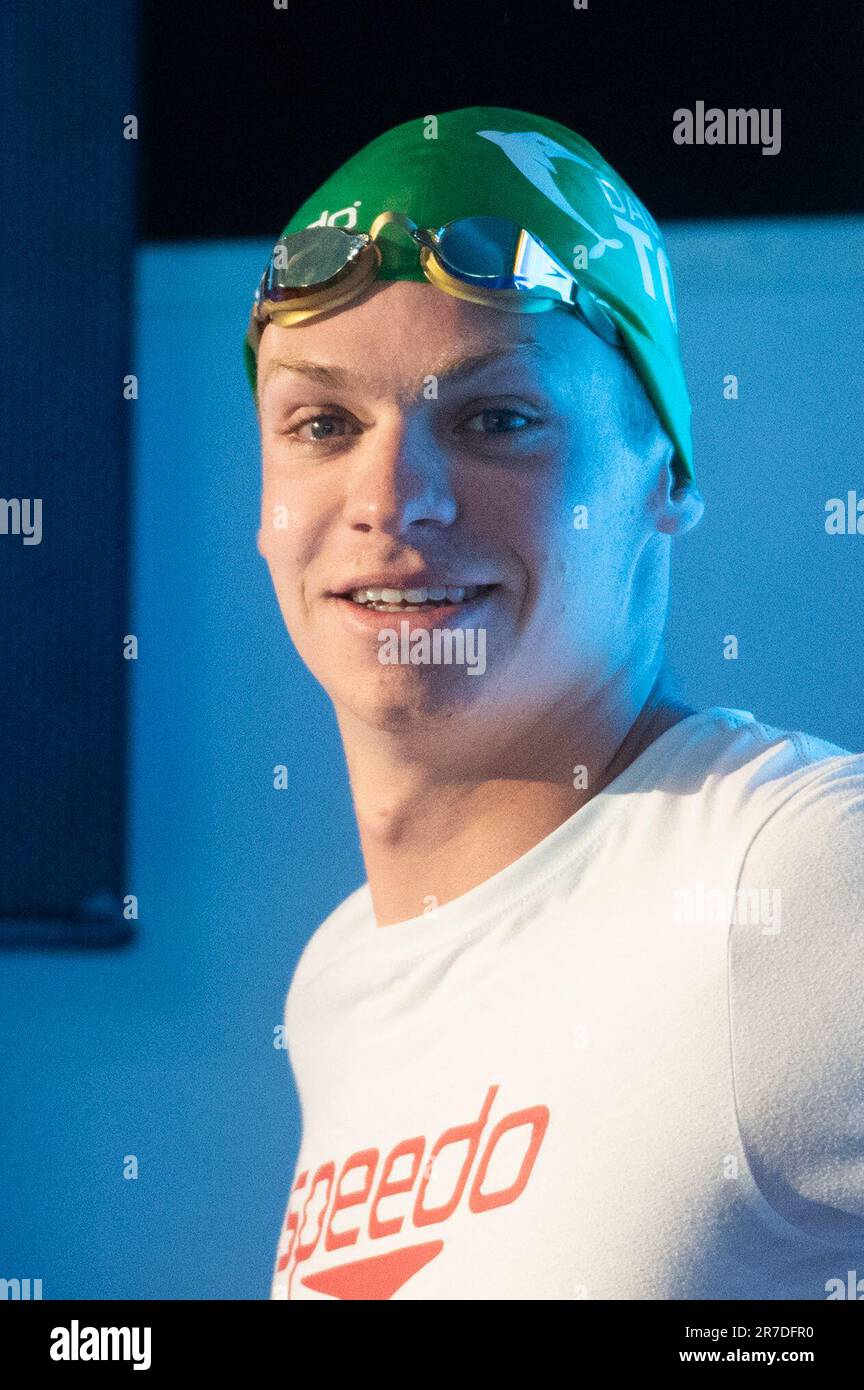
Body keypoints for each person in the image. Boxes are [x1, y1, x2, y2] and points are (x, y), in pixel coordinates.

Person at [247, 107, 864, 1300]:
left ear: (666, 473)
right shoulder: (341, 979)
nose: (394, 499)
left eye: (495, 420)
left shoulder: (790, 878)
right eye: (324, 425)